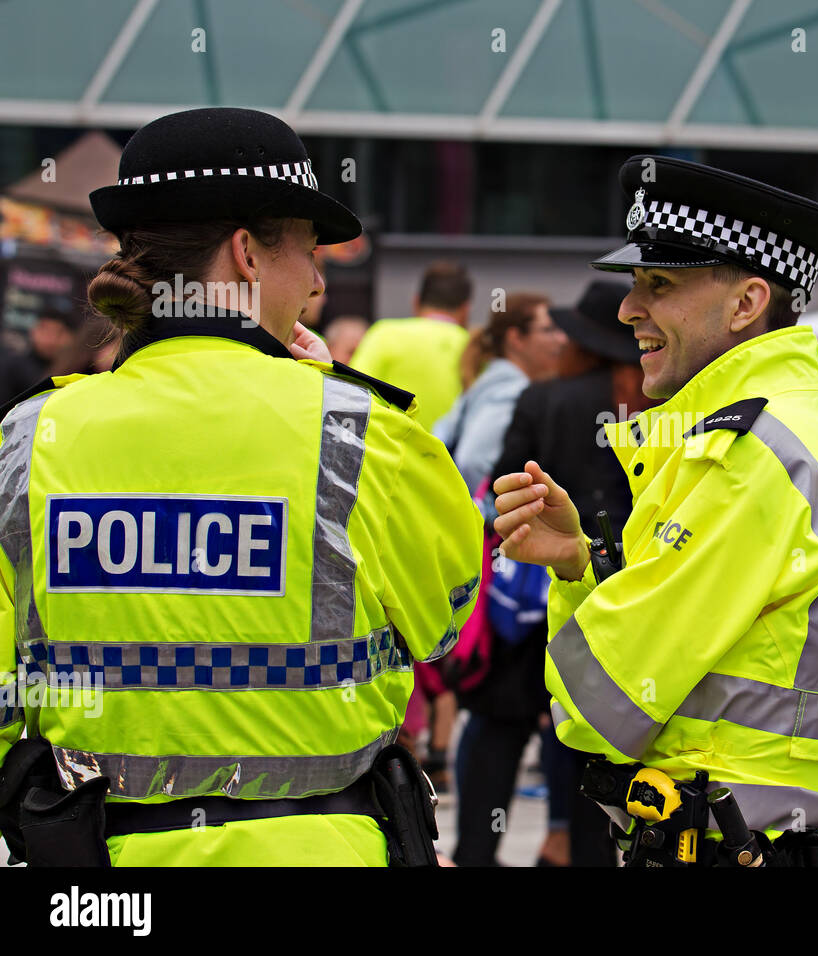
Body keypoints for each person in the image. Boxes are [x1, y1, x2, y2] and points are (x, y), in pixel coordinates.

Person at [0, 107, 483, 867]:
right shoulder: (361, 434)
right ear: (248, 254)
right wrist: (325, 385)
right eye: (310, 252)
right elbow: (445, 626)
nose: (320, 280)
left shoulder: (26, 440)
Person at [492, 156, 818, 867]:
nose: (629, 309)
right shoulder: (816, 435)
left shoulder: (745, 458)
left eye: (659, 284)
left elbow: (602, 710)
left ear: (747, 303)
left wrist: (571, 584)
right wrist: (577, 561)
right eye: (633, 284)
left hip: (729, 846)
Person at [490, 278, 650, 867]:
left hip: (530, 583)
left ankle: (479, 849)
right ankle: (576, 843)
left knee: (500, 727)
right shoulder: (650, 406)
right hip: (615, 579)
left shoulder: (542, 399)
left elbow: (503, 484)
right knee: (593, 728)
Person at [434, 292, 564, 497]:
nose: (561, 339)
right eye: (548, 330)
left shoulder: (488, 380)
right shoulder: (510, 390)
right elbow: (472, 460)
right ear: (516, 339)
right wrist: (494, 510)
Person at [350, 260, 473, 430]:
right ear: (466, 309)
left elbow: (353, 391)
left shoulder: (383, 333)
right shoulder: (471, 345)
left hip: (389, 450)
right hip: (446, 454)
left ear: (415, 302)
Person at [0, 306, 82, 405]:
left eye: (58, 333)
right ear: (33, 331)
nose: (50, 340)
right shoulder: (12, 368)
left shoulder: (81, 371)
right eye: (45, 331)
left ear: (72, 337)